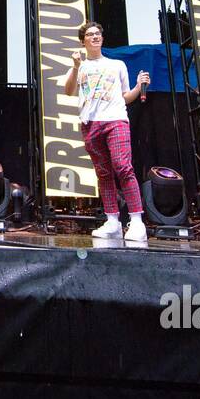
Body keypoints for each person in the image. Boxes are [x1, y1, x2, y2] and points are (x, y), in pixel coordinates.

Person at [63, 21, 151, 242]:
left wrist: (139, 87)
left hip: (115, 120)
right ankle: (112, 221)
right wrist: (75, 66)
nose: (95, 37)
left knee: (123, 166)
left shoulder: (117, 65)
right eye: (90, 34)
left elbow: (126, 97)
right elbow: (69, 90)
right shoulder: (79, 67)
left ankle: (137, 221)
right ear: (83, 41)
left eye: (98, 33)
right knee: (103, 173)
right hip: (91, 122)